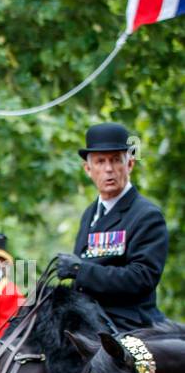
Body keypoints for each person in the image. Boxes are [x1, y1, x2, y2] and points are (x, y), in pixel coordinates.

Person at [55, 122, 169, 332]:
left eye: (116, 160)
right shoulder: (89, 214)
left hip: (126, 324)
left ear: (130, 165)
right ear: (88, 169)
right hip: (88, 317)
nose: (108, 169)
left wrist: (81, 271)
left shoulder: (146, 215)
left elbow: (142, 278)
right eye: (100, 161)